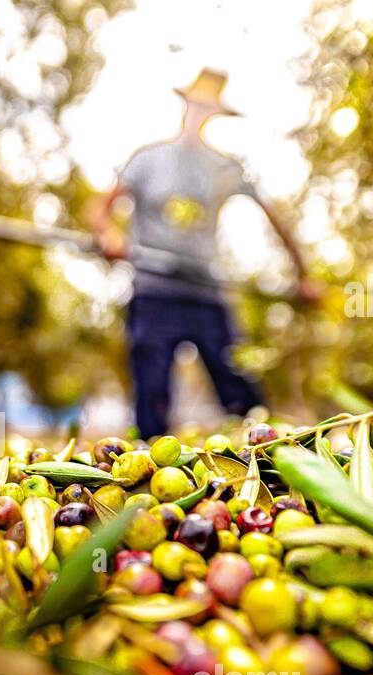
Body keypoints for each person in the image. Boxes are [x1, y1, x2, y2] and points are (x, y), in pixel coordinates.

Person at [90, 68, 319, 439]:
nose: (200, 112)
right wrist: (109, 233)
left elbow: (276, 218)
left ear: (215, 114)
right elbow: (101, 208)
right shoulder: (149, 159)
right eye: (196, 104)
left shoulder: (225, 168)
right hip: (155, 292)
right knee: (152, 399)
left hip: (205, 292)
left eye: (208, 107)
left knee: (243, 396)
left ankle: (267, 466)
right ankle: (148, 469)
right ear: (185, 105)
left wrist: (302, 273)